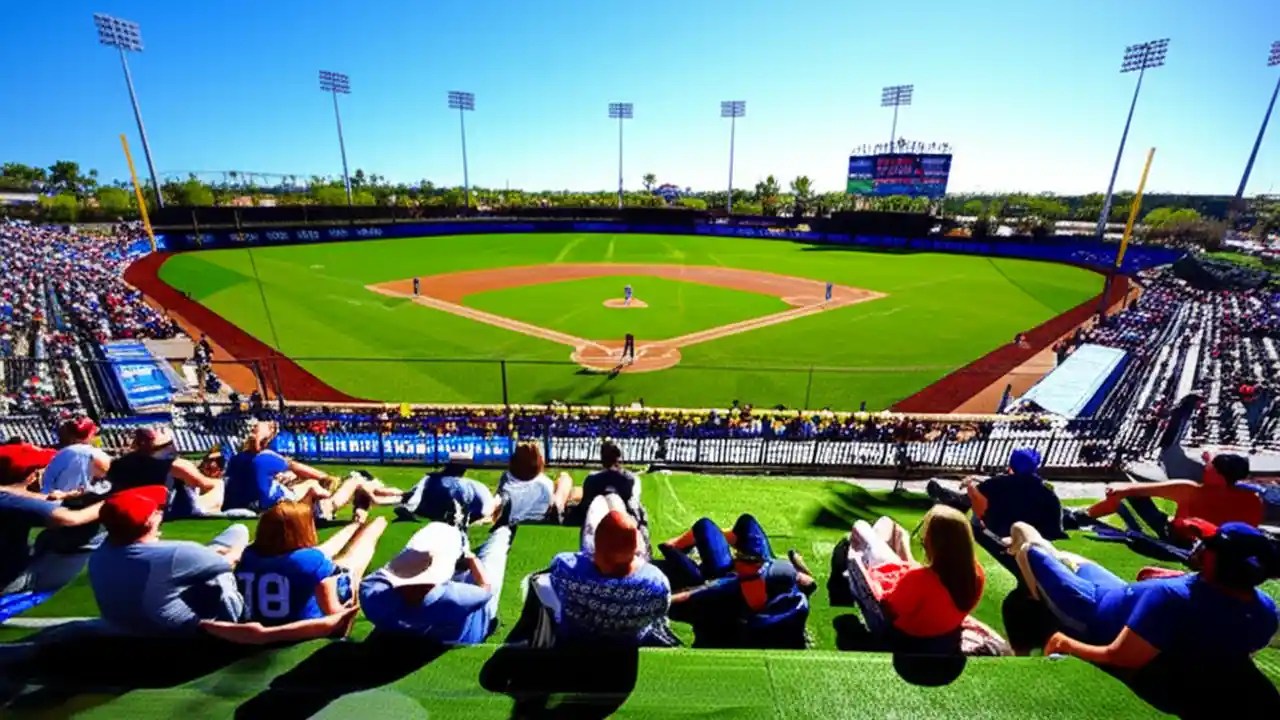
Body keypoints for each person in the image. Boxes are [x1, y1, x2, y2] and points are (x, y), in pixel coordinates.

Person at [1011, 519, 1279, 671]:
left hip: (1088, 608)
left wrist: (1064, 644)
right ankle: (1042, 559)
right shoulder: (1265, 610)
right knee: (1070, 558)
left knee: (1026, 539)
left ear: (1219, 562)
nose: (1200, 547)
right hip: (1120, 594)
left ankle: (1035, 597)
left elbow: (1120, 656)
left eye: (1209, 546)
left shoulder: (1170, 599)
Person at [89, 486, 250, 635]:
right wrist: (235, 551)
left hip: (122, 633)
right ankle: (237, 625)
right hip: (179, 637)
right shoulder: (176, 553)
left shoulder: (99, 554)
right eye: (156, 511)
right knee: (222, 572)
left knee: (234, 533)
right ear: (149, 522)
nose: (160, 512)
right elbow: (230, 561)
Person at [660, 513, 815, 647]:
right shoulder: (794, 597)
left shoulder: (732, 585)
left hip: (723, 573)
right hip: (763, 565)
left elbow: (691, 593)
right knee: (747, 522)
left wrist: (658, 600)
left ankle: (674, 546)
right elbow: (809, 583)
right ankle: (729, 539)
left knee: (705, 525)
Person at [234, 500, 387, 625]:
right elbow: (335, 613)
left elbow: (324, 550)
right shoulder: (309, 560)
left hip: (262, 619)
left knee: (333, 552)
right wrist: (352, 603)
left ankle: (357, 524)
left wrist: (353, 526)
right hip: (306, 620)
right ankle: (378, 521)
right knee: (359, 550)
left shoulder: (249, 555)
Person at [1085, 452, 1264, 558]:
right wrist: (1210, 456)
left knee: (1124, 497)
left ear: (1218, 474)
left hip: (1177, 542)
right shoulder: (1252, 498)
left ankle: (1083, 516)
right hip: (1220, 551)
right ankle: (1084, 516)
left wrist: (1118, 488)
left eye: (1209, 466)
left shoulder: (1191, 490)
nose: (1205, 468)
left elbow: (1130, 489)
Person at [846, 506, 986, 640]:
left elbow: (889, 607)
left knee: (862, 527)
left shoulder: (920, 579)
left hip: (903, 635)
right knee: (887, 526)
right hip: (944, 632)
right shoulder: (975, 574)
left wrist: (885, 579)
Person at [360, 522, 512, 644]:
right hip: (472, 630)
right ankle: (504, 528)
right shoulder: (454, 597)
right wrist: (471, 559)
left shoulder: (371, 591)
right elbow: (485, 589)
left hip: (409, 637)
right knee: (493, 553)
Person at [547, 507, 671, 646]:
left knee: (599, 504)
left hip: (578, 641)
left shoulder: (565, 569)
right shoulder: (656, 584)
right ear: (636, 549)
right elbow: (661, 612)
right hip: (631, 644)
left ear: (595, 549)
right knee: (619, 508)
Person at [224, 421, 396, 519]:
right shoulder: (266, 457)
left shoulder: (236, 460)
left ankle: (371, 504)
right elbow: (294, 466)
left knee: (310, 484)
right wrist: (324, 478)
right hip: (284, 507)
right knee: (354, 483)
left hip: (256, 504)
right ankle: (392, 499)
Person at [0, 443, 103, 595]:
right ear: (32, 475)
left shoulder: (7, 496)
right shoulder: (9, 500)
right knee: (94, 532)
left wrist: (69, 496)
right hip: (6, 581)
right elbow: (70, 519)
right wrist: (108, 503)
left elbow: (32, 498)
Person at [105, 427, 225, 518]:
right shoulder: (176, 465)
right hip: (168, 511)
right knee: (219, 484)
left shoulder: (119, 463)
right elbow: (204, 484)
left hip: (126, 510)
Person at [399, 453, 496, 526]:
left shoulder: (430, 479)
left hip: (431, 511)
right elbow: (486, 509)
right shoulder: (472, 485)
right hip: (455, 513)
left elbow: (414, 496)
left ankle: (409, 507)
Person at [491, 442, 574, 526]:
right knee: (565, 478)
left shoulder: (507, 477)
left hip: (514, 506)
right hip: (541, 514)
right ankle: (559, 505)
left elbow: (497, 501)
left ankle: (557, 505)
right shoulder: (544, 482)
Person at [568, 441, 643, 526]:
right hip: (622, 518)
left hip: (596, 518)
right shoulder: (630, 479)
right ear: (620, 457)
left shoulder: (592, 479)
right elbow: (634, 503)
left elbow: (584, 505)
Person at [41, 417, 112, 496]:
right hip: (80, 498)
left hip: (52, 495)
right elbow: (103, 474)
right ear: (90, 435)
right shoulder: (96, 454)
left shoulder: (56, 453)